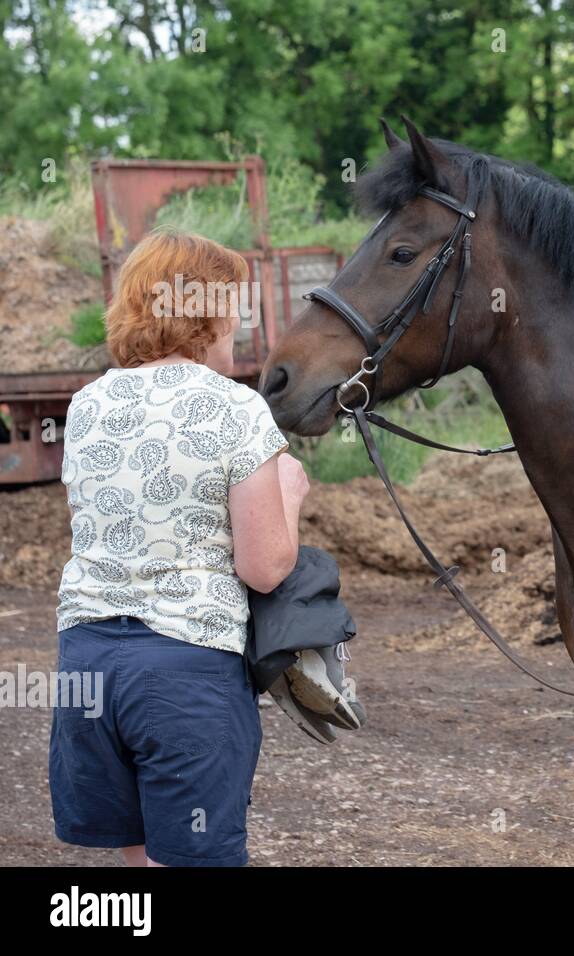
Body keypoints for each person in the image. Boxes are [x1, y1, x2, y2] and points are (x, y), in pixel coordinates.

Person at [50, 228, 309, 866]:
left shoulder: (87, 405)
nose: (240, 324)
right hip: (184, 672)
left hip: (87, 665)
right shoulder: (237, 409)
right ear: (205, 310)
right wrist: (292, 495)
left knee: (137, 862)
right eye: (234, 305)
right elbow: (266, 566)